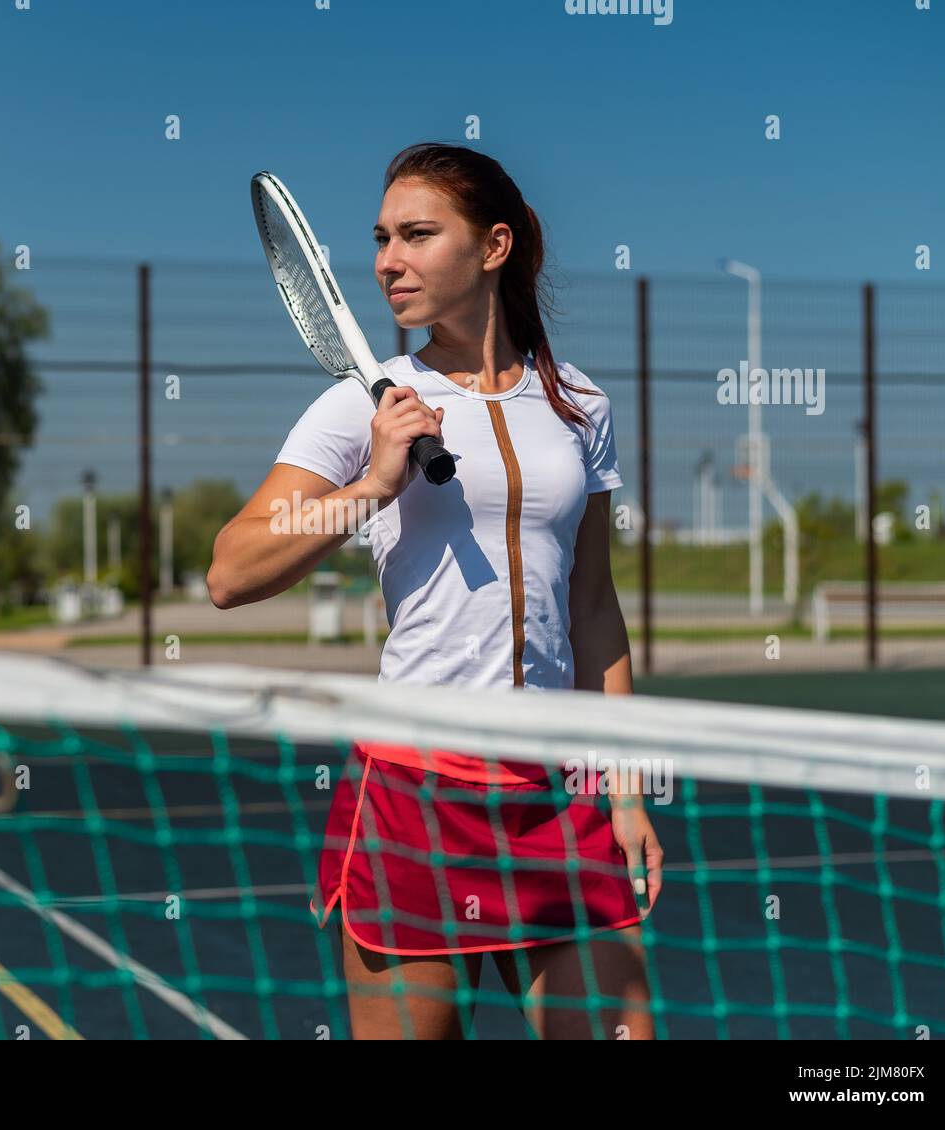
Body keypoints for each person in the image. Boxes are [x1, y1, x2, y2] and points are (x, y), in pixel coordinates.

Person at [208, 143, 663, 1039]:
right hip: (415, 792)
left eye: (418, 235)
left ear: (494, 247)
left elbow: (596, 608)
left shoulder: (582, 406)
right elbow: (231, 570)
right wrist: (370, 488)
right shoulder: (363, 407)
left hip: (560, 791)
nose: (387, 261)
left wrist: (627, 786)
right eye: (380, 239)